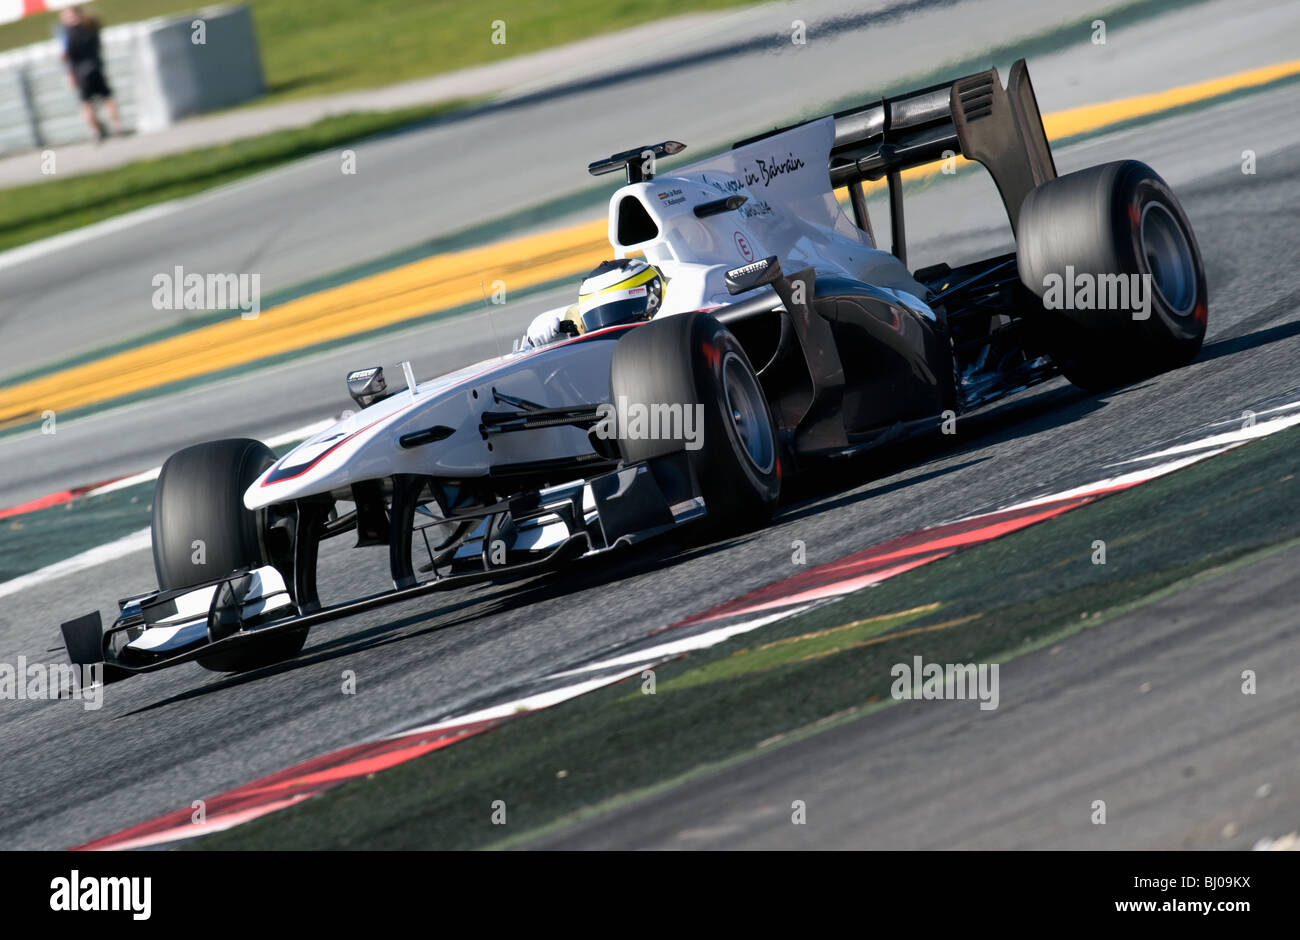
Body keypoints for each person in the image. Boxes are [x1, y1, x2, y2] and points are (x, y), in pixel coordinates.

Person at [524, 258, 665, 348]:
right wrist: (545, 348)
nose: (610, 326)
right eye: (601, 315)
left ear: (654, 298)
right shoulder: (573, 326)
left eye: (619, 311)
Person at [59, 6, 123, 142]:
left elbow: (65, 56)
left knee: (86, 103)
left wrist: (70, 74)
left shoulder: (67, 34)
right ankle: (117, 126)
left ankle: (96, 131)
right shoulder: (91, 27)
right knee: (107, 97)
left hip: (80, 72)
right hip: (96, 67)